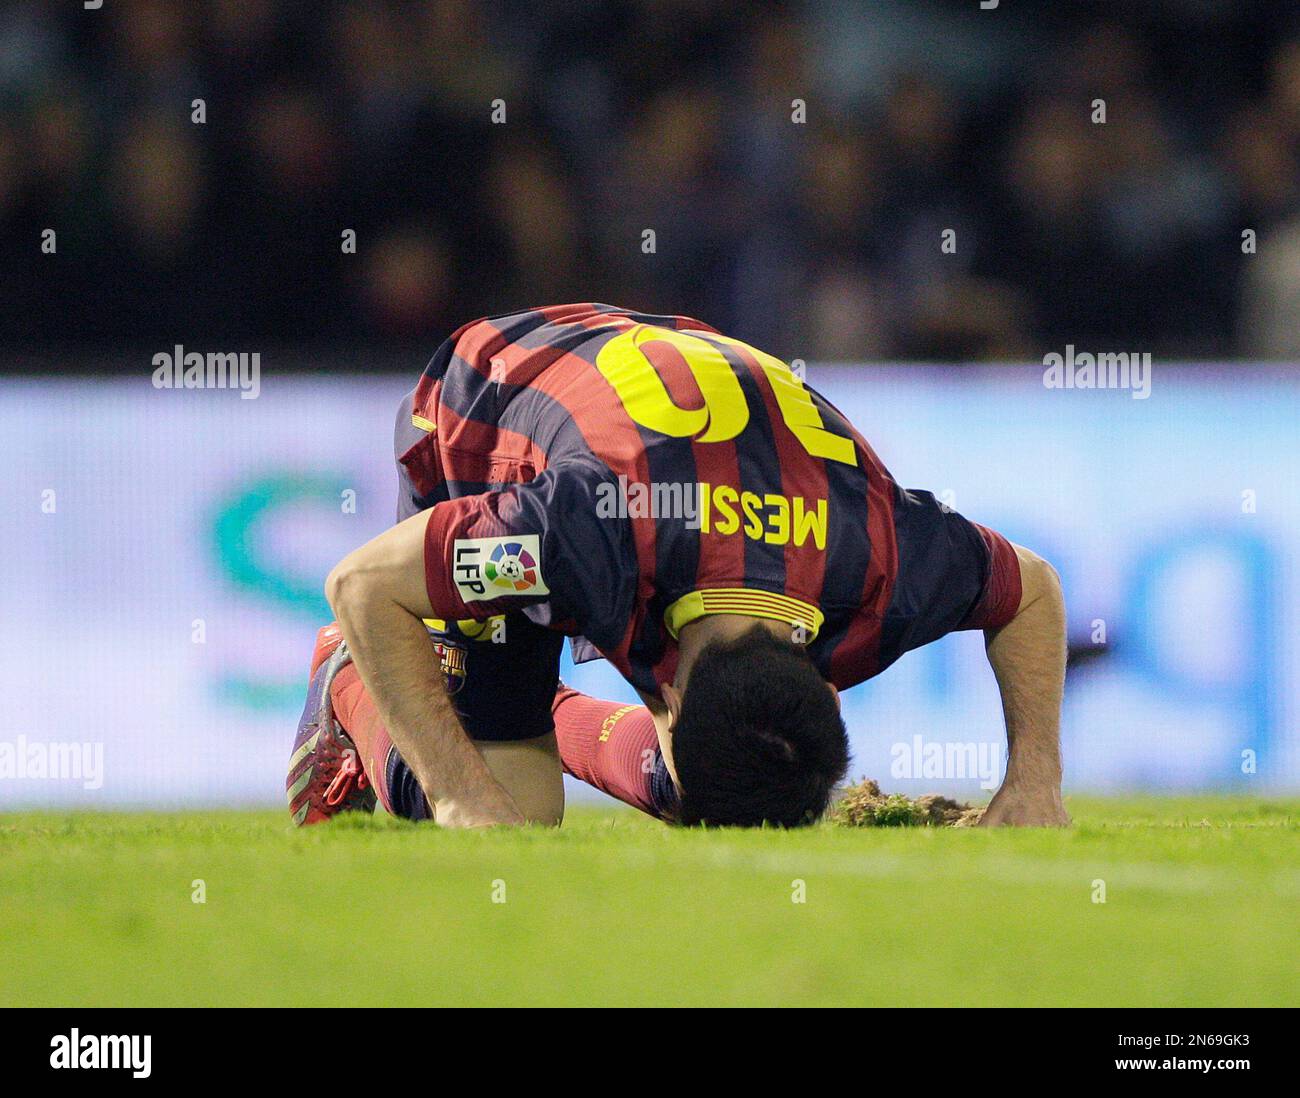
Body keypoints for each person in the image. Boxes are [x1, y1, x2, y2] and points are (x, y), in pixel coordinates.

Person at [287, 303, 1068, 829]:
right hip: (491, 397)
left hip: (667, 407)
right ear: (667, 691)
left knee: (722, 778)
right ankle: (344, 685)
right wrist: (460, 799)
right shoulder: (571, 538)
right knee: (513, 816)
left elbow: (1029, 590)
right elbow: (362, 585)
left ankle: (531, 708)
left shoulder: (884, 563)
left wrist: (1035, 784)